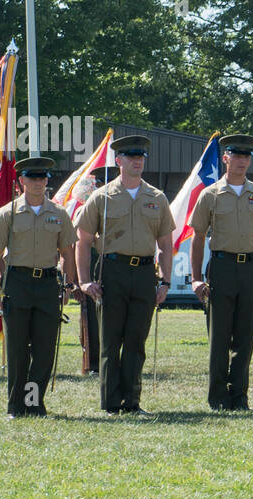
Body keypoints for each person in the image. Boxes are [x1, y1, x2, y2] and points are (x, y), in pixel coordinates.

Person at [75, 135, 174, 416]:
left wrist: (165, 281)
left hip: (144, 274)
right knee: (110, 340)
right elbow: (82, 241)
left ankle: (131, 402)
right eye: (131, 156)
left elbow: (165, 244)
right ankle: (110, 402)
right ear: (118, 161)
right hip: (112, 272)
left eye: (141, 156)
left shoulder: (156, 198)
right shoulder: (102, 197)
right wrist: (83, 281)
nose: (137, 161)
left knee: (136, 340)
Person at [187, 134, 253, 411]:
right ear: (225, 158)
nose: (241, 161)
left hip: (251, 269)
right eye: (236, 156)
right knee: (219, 336)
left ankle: (239, 396)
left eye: (246, 156)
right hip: (222, 267)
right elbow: (198, 237)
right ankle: (218, 397)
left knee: (246, 335)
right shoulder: (210, 194)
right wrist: (197, 278)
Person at [0, 157, 79, 417]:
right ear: (21, 181)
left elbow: (68, 253)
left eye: (43, 177)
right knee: (17, 349)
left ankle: (34, 403)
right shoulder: (8, 214)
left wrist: (68, 286)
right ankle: (16, 406)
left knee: (44, 348)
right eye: (32, 178)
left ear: (47, 180)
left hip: (48, 285)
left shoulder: (58, 214)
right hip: (18, 284)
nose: (38, 182)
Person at [76, 165, 118, 375]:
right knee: (92, 318)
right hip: (93, 265)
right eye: (102, 183)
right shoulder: (88, 207)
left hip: (114, 266)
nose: (105, 187)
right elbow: (78, 244)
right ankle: (93, 362)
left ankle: (115, 360)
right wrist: (78, 281)